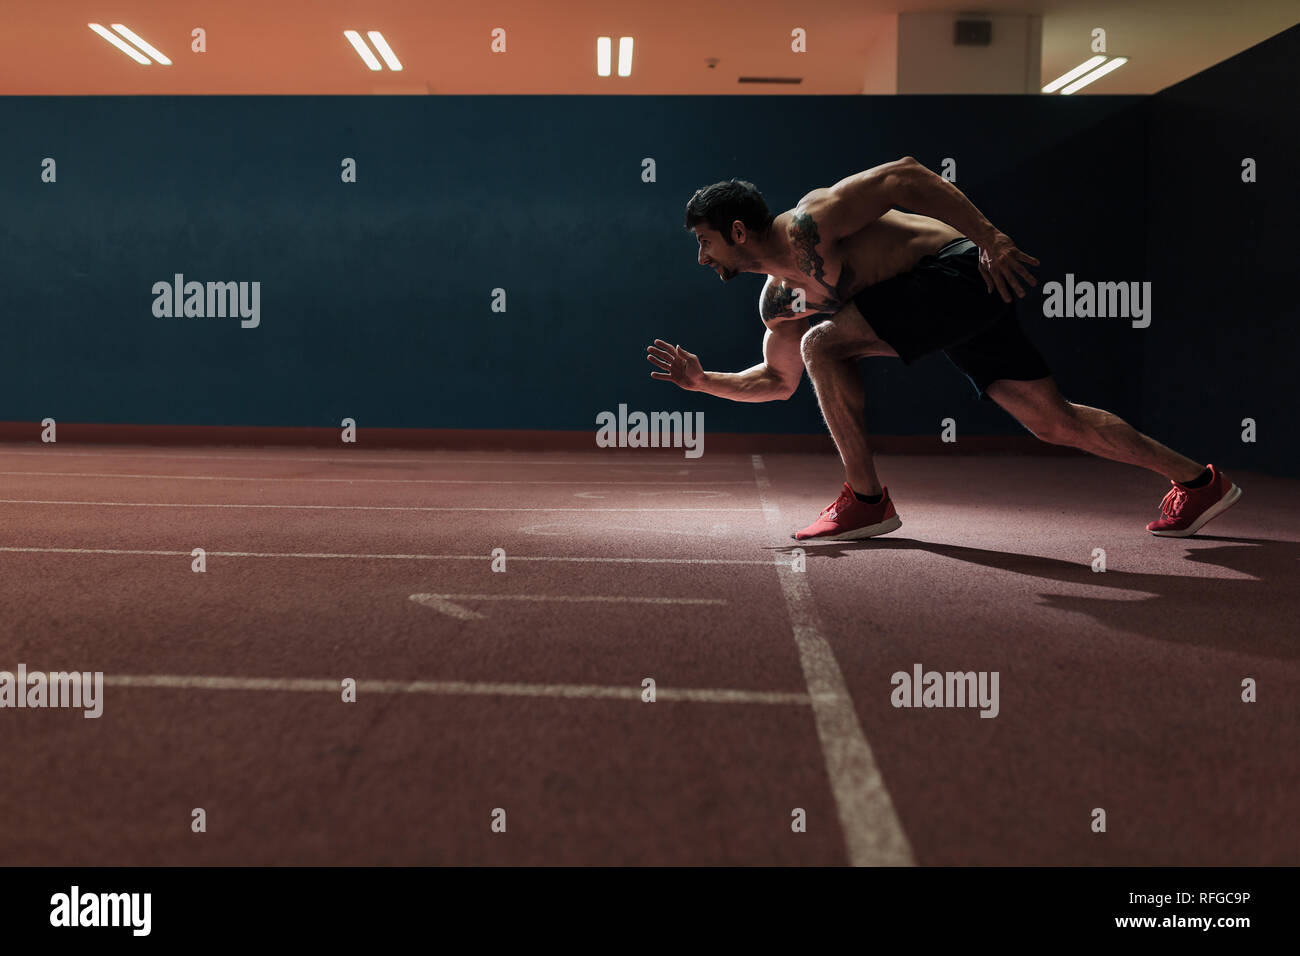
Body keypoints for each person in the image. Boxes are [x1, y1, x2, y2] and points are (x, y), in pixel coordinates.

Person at [648, 157, 1241, 541]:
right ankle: (1199, 482)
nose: (702, 259)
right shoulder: (780, 303)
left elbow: (905, 175)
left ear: (738, 233)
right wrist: (704, 382)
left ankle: (867, 500)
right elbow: (777, 382)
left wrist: (991, 238)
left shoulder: (812, 221)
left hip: (958, 270)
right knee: (1052, 423)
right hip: (948, 308)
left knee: (826, 345)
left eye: (704, 243)